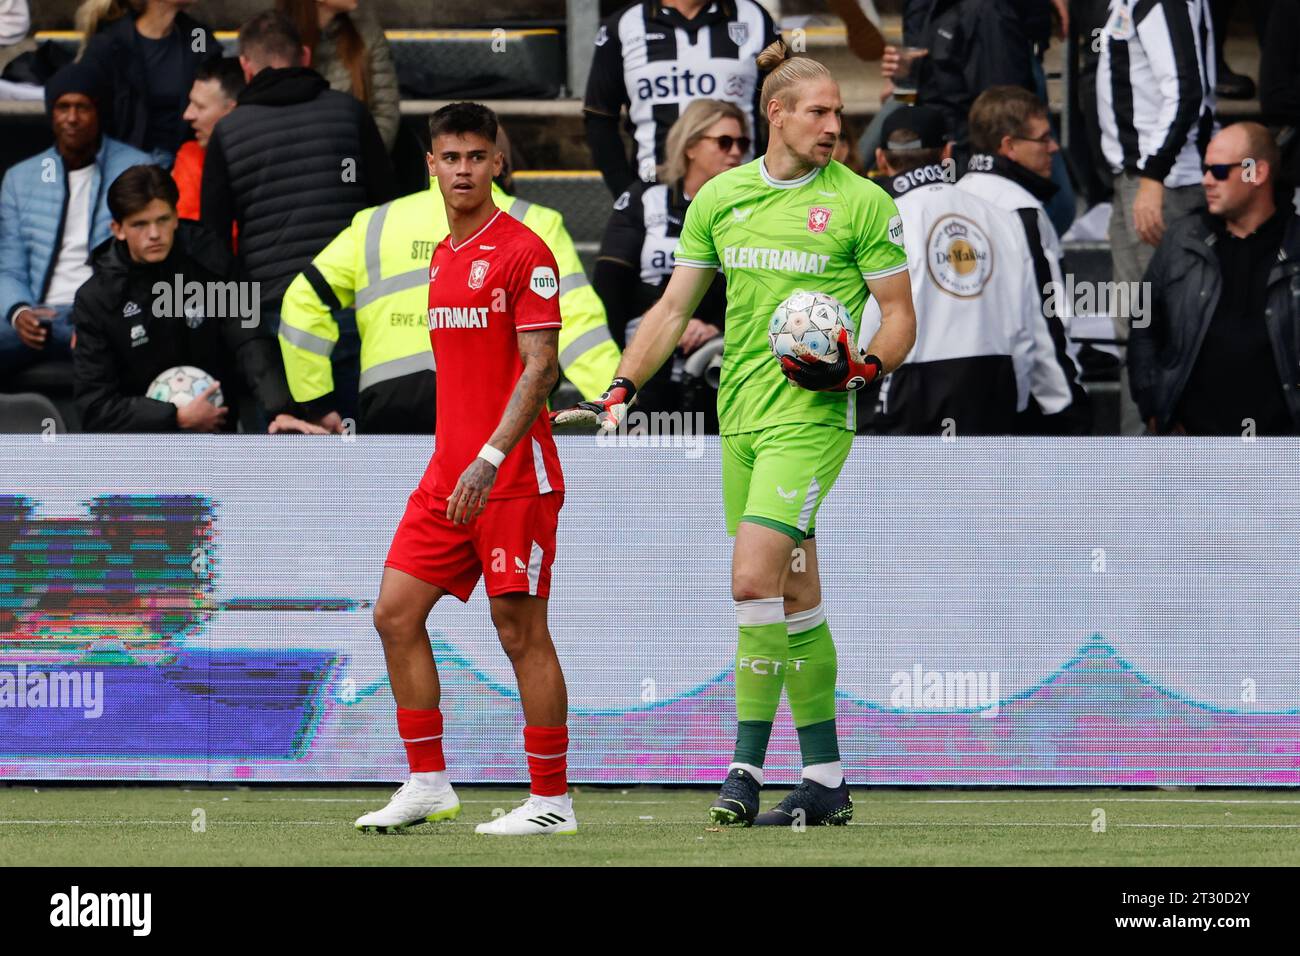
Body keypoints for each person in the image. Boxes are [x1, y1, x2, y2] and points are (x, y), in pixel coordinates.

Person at [555, 40, 917, 826]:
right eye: (817, 110)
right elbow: (673, 309)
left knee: (752, 580)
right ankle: (824, 780)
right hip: (740, 421)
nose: (832, 124)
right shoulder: (720, 198)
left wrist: (863, 370)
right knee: (793, 600)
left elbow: (899, 317)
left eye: (838, 113)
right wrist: (622, 384)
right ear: (775, 112)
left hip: (812, 419)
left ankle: (743, 770)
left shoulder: (862, 202)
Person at [355, 103, 575, 836]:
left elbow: (541, 368)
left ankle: (551, 802)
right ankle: (427, 782)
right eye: (450, 158)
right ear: (431, 164)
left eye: (477, 157)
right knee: (394, 614)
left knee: (519, 633)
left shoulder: (525, 252)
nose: (463, 171)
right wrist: (463, 462)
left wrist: (487, 457)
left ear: (497, 162)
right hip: (448, 474)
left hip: (510, 476)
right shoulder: (442, 257)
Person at [277, 124, 620, 433]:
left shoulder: (374, 223)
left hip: (392, 405)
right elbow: (581, 328)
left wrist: (316, 404)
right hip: (498, 406)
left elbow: (301, 301)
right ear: (502, 168)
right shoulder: (535, 224)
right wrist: (615, 407)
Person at [71, 164, 322, 434]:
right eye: (140, 224)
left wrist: (280, 410)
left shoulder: (210, 261)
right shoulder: (95, 299)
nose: (154, 234)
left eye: (163, 219)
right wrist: (174, 417)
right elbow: (95, 407)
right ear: (118, 229)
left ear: (177, 217)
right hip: (138, 451)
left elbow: (250, 340)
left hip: (216, 435)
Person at [199, 10, 396, 336]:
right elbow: (386, 209)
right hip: (351, 299)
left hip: (274, 307)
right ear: (304, 55)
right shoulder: (350, 113)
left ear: (245, 65)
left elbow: (215, 240)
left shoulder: (228, 133)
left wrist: (237, 323)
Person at [864, 106, 1039, 434]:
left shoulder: (878, 221)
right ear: (947, 153)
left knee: (907, 487)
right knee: (983, 486)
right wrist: (1019, 395)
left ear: (881, 159)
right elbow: (1026, 322)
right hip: (993, 379)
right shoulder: (1004, 217)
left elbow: (868, 321)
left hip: (908, 383)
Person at [1129, 123, 1300, 435]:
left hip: (1282, 452)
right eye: (1204, 169)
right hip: (1190, 449)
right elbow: (1143, 320)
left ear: (1256, 173)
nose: (1206, 180)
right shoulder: (1183, 238)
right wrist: (1153, 402)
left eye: (1219, 170)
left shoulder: (1296, 244)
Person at [1097, 0, 1216, 434]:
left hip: (1164, 185)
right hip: (1139, 178)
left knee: (1165, 330)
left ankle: (1172, 471)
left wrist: (1154, 175)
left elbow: (1186, 88)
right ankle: (1142, 466)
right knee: (1137, 327)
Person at [0, 63, 149, 378]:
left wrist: (98, 314)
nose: (71, 118)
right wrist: (18, 312)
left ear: (99, 112)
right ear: (51, 113)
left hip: (99, 313)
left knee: (120, 341)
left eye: (82, 107)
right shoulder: (20, 178)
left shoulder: (135, 169)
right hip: (38, 313)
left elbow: (145, 257)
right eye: (62, 107)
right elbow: (9, 267)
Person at [593, 99, 739, 419]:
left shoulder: (748, 210)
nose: (736, 152)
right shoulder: (646, 198)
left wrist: (713, 326)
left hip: (717, 363)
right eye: (724, 142)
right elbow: (609, 287)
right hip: (642, 365)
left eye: (742, 143)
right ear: (690, 146)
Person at [958, 85, 1092, 434]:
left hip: (953, 395)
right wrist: (1067, 404)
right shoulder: (1023, 211)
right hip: (1019, 404)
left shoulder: (951, 200)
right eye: (1043, 138)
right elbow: (1045, 318)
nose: (1054, 147)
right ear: (1009, 146)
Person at [583, 0, 779, 196]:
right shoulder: (624, 25)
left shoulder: (755, 18)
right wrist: (626, 193)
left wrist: (771, 182)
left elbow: (786, 106)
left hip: (742, 194)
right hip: (653, 195)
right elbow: (599, 116)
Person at [76, 0, 220, 166]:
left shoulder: (196, 36)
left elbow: (211, 79)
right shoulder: (110, 45)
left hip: (185, 165)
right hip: (124, 167)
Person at [275, 0, 400, 152]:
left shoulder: (367, 36)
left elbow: (385, 115)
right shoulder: (275, 42)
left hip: (355, 166)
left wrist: (351, 166)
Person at [172, 57, 242, 225]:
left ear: (233, 112)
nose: (187, 115)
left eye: (200, 107)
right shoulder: (191, 156)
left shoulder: (268, 157)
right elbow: (191, 230)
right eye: (190, 103)